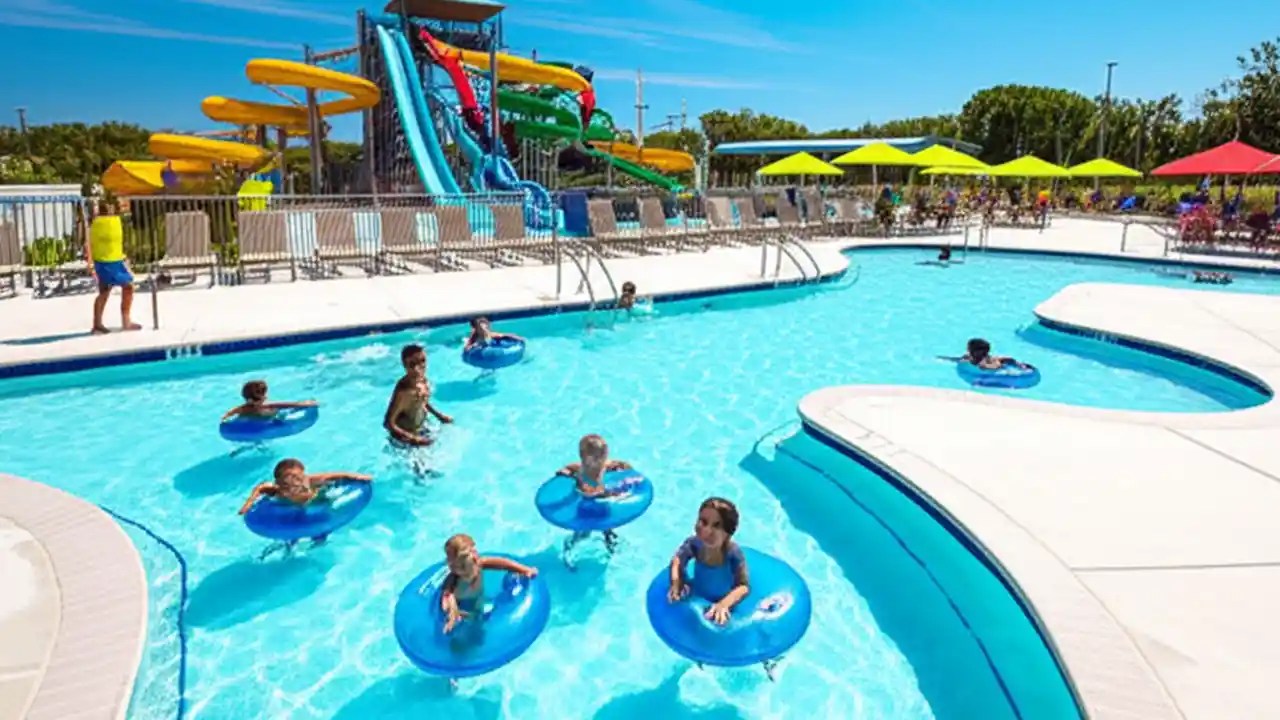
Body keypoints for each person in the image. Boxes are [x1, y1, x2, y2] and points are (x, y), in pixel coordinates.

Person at [666, 497, 750, 626]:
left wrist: (724, 604)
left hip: (723, 598)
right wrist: (676, 583)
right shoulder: (695, 544)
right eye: (703, 522)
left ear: (728, 533)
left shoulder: (733, 553)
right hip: (698, 594)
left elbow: (743, 586)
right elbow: (677, 560)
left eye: (717, 526)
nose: (707, 531)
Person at [440, 533, 538, 634]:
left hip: (479, 599)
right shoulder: (452, 580)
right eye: (462, 570)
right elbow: (447, 596)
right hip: (463, 607)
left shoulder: (479, 564)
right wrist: (452, 612)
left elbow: (503, 563)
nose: (477, 565)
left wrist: (525, 570)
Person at [556, 434, 635, 554]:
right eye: (596, 457)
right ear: (583, 457)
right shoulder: (580, 469)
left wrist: (625, 470)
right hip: (585, 505)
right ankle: (570, 545)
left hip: (602, 503)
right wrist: (565, 472)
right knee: (583, 532)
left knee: (607, 528)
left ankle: (610, 545)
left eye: (603, 456)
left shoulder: (605, 466)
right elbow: (568, 468)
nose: (601, 460)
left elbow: (624, 465)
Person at [86, 201, 141, 334]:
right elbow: (91, 243)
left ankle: (101, 323)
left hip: (112, 260)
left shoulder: (101, 224)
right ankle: (112, 322)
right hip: (107, 261)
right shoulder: (101, 224)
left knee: (113, 290)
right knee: (114, 289)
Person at [237, 458, 371, 513]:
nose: (293, 483)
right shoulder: (275, 490)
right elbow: (260, 488)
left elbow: (336, 476)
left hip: (316, 499)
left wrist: (358, 477)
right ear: (278, 482)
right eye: (286, 482)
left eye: (297, 478)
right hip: (295, 508)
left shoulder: (310, 482)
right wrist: (248, 504)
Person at [220, 380, 317, 421]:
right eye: (258, 399)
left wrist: (307, 404)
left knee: (279, 415)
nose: (264, 399)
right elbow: (229, 413)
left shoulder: (267, 406)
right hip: (254, 425)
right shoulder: (243, 409)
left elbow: (290, 404)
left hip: (268, 421)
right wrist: (225, 418)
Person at [941, 337, 1028, 370]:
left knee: (1006, 359)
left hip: (999, 363)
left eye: (970, 349)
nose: (968, 350)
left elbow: (997, 365)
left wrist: (987, 366)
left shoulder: (986, 360)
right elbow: (959, 360)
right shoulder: (968, 357)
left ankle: (1020, 364)